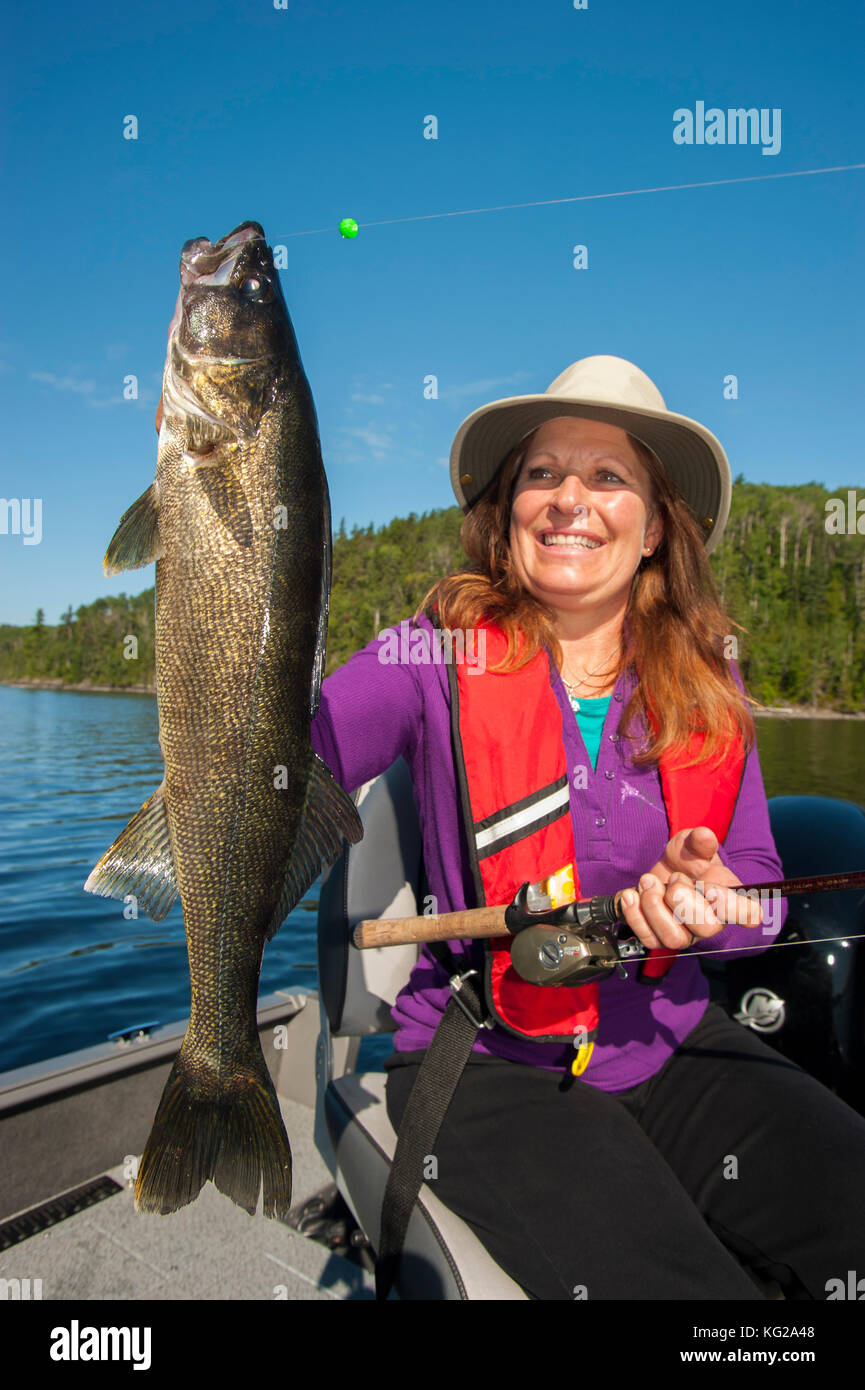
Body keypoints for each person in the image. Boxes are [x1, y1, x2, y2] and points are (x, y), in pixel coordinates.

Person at [311, 354, 865, 1301]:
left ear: (655, 528)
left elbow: (763, 899)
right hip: (488, 1062)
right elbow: (288, 758)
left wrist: (718, 903)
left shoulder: (711, 678)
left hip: (671, 1038)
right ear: (509, 511)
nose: (569, 498)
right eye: (542, 473)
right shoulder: (429, 648)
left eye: (608, 476)